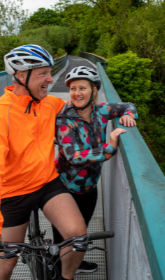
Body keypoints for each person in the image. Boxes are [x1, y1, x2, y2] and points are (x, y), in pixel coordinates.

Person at [0, 44, 88, 280]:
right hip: (13, 192)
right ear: (21, 75)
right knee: (5, 263)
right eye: (42, 74)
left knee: (78, 236)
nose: (50, 79)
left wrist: (121, 112)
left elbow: (81, 107)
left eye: (49, 72)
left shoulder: (50, 104)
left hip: (48, 183)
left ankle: (65, 278)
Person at [49, 65, 138, 274]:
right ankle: (56, 268)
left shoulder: (101, 111)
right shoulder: (64, 120)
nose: (76, 93)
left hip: (89, 186)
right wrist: (109, 148)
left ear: (94, 90)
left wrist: (128, 115)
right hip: (65, 188)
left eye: (82, 88)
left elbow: (128, 105)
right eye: (73, 89)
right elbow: (74, 156)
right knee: (64, 237)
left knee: (81, 231)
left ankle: (75, 262)